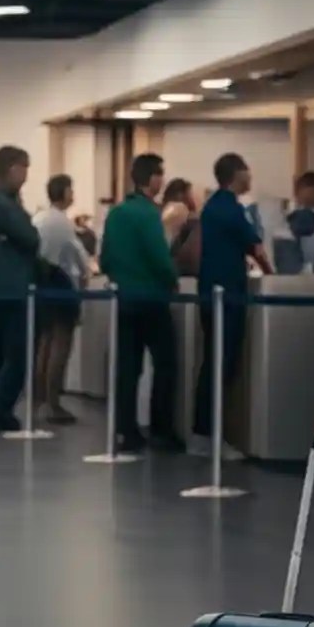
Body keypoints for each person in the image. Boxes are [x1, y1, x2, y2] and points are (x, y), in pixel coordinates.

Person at [189, 153, 274, 458]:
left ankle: (202, 434)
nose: (250, 176)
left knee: (213, 363)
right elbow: (255, 246)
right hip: (228, 297)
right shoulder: (230, 209)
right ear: (236, 174)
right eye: (247, 170)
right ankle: (209, 436)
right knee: (222, 365)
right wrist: (272, 277)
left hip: (212, 293)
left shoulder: (213, 207)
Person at [102, 155, 181, 453]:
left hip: (123, 298)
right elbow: (159, 256)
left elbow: (106, 257)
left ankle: (126, 429)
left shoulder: (116, 213)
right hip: (151, 298)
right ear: (154, 179)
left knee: (127, 366)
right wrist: (171, 278)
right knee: (165, 364)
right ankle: (161, 429)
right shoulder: (149, 214)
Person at [0, 146, 41, 433]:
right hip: (11, 288)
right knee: (16, 353)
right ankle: (0, 408)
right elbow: (30, 237)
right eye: (25, 169)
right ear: (13, 169)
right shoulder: (1, 204)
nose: (26, 176)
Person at [33, 174, 93, 425]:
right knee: (61, 344)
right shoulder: (62, 223)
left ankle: (39, 399)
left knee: (45, 342)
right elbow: (79, 257)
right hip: (61, 285)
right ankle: (53, 402)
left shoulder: (39, 219)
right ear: (64, 192)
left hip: (42, 285)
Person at [162, 178, 201, 277]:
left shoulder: (165, 208)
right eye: (190, 193)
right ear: (180, 194)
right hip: (170, 258)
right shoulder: (179, 208)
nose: (192, 197)